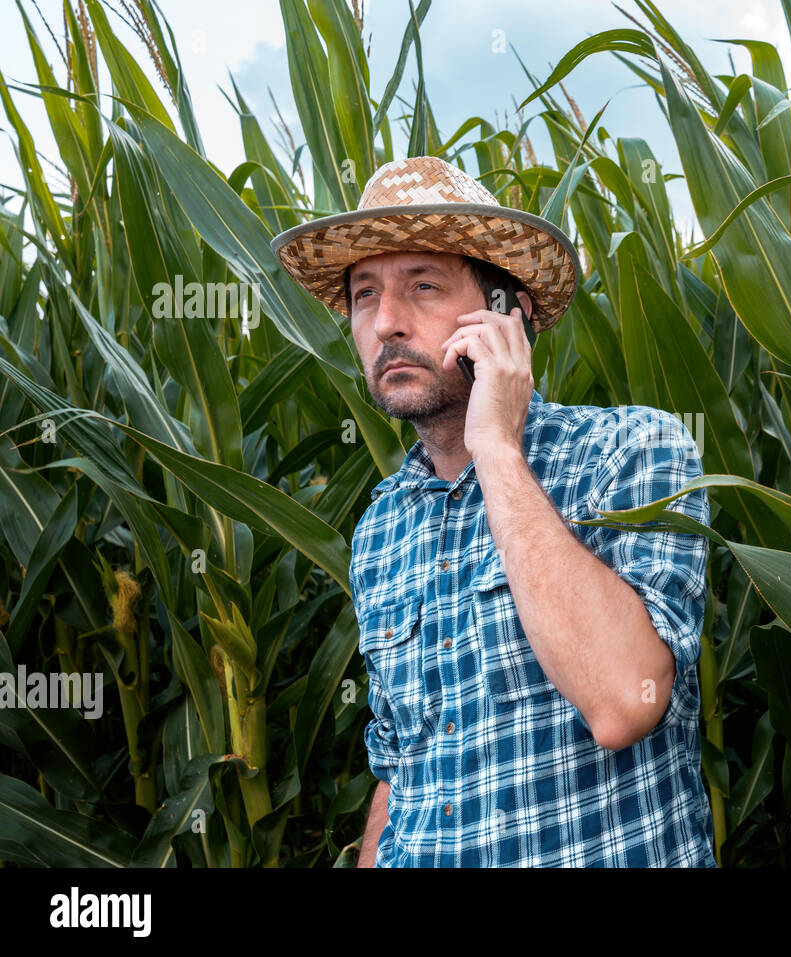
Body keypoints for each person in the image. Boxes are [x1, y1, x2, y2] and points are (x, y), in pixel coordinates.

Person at [271, 156, 715, 866]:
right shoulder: (382, 526)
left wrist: (496, 448)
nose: (386, 323)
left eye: (423, 285)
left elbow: (622, 704)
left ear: (509, 313)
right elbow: (402, 768)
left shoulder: (632, 452)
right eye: (364, 295)